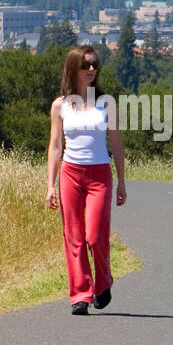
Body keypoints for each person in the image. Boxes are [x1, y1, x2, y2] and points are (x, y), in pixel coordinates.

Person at [46, 46, 127, 315]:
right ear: (73, 68)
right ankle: (80, 294)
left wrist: (122, 182)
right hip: (70, 173)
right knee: (74, 236)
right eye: (86, 65)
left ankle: (103, 283)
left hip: (99, 175)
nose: (92, 70)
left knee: (94, 236)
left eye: (95, 65)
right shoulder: (60, 105)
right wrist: (50, 185)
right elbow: (55, 146)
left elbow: (116, 143)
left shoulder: (106, 103)